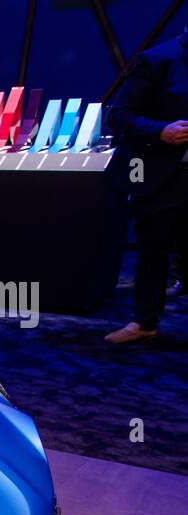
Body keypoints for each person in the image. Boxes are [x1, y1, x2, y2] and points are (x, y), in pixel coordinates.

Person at [107, 28, 188, 344]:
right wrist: (160, 130)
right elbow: (121, 116)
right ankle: (144, 322)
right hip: (164, 176)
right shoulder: (158, 59)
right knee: (153, 251)